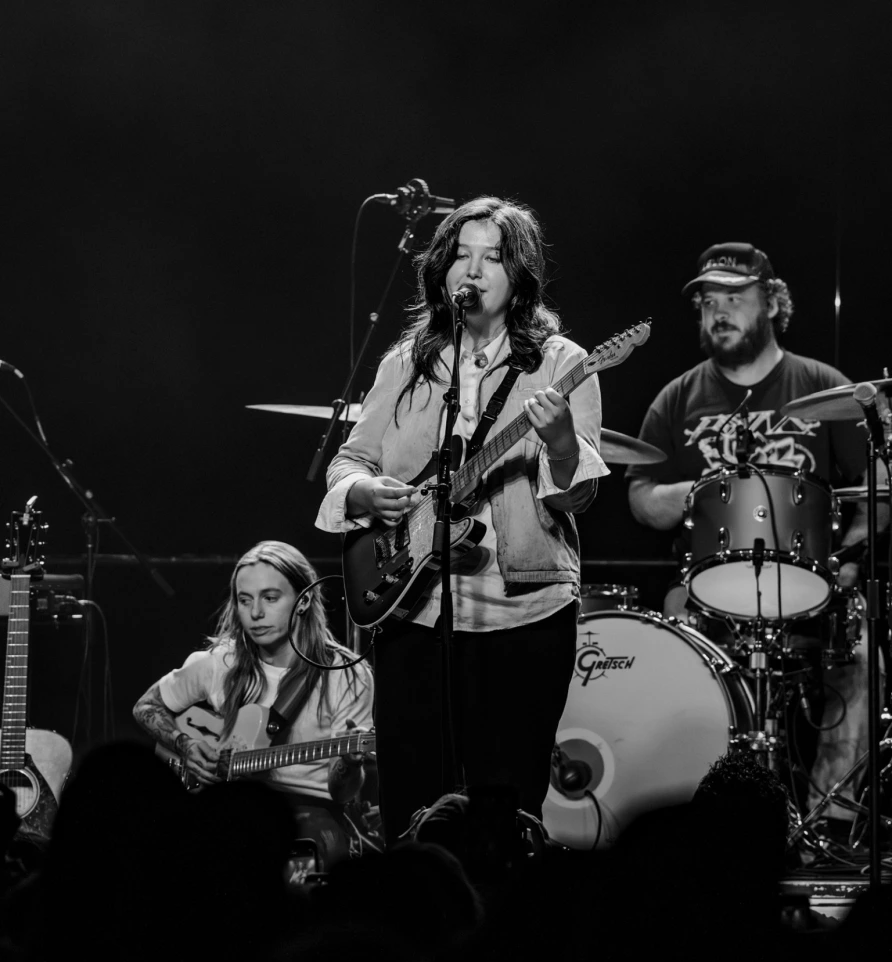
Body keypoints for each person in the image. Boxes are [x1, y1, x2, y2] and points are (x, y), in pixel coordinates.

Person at [316, 196, 607, 843]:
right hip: (414, 612)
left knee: (507, 808)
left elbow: (576, 496)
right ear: (441, 271)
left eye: (493, 257)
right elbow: (348, 463)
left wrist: (560, 443)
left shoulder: (561, 363)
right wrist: (365, 492)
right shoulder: (407, 363)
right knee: (411, 799)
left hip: (523, 616)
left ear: (520, 275)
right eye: (460, 256)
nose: (471, 272)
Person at [627, 242, 888, 832]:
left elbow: (878, 481)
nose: (718, 312)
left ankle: (828, 819)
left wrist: (847, 556)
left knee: (863, 649)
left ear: (771, 302)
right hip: (701, 588)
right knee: (663, 640)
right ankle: (690, 823)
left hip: (810, 582)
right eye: (708, 301)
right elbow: (640, 496)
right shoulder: (678, 397)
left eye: (733, 298)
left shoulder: (822, 385)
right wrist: (691, 489)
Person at [132, 540, 375, 867]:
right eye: (245, 601)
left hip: (312, 820)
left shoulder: (347, 675)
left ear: (303, 602)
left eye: (270, 598)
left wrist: (350, 762)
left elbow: (342, 793)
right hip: (228, 813)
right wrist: (186, 745)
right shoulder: (219, 663)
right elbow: (146, 707)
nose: (256, 613)